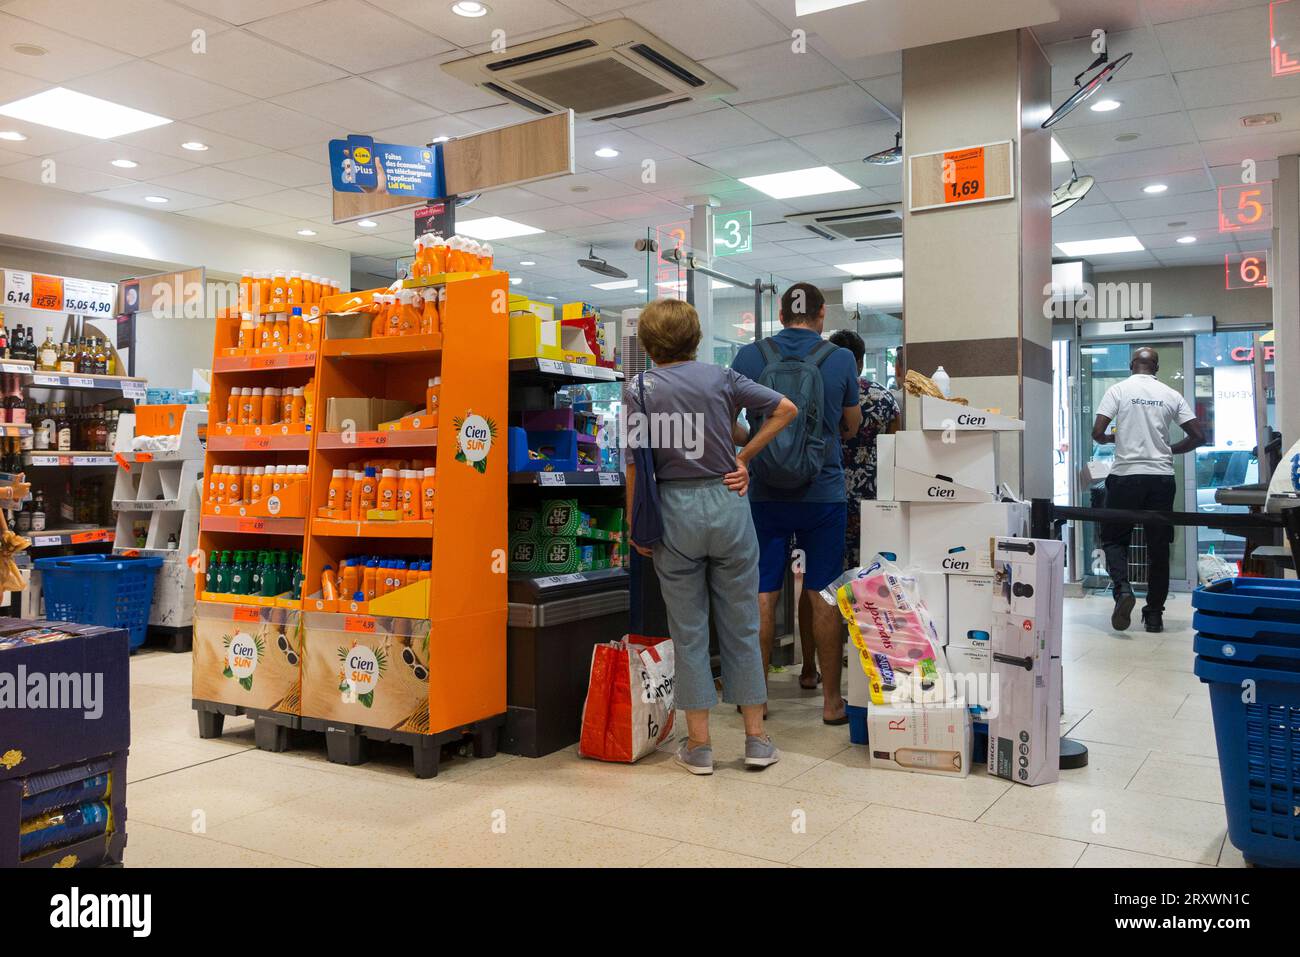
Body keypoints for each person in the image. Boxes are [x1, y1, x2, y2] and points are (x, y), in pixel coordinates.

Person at [625, 299, 798, 776]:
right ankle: (756, 739)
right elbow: (785, 409)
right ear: (695, 337)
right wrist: (746, 459)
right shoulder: (723, 378)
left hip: (673, 511)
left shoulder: (638, 388)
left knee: (689, 630)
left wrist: (633, 525)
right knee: (741, 622)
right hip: (727, 502)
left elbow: (633, 466)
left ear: (648, 343)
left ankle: (699, 747)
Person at [732, 283, 862, 725]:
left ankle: (758, 698)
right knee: (823, 590)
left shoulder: (749, 357)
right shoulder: (841, 359)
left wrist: (758, 442)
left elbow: (729, 424)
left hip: (764, 493)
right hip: (822, 493)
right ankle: (830, 702)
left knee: (762, 592)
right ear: (821, 315)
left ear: (781, 313)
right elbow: (851, 424)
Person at [1091, 347, 1206, 633]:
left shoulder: (1118, 390)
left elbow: (1096, 431)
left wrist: (1109, 438)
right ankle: (1154, 615)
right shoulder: (1171, 394)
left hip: (1125, 477)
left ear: (1132, 365)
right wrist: (1170, 449)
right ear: (1156, 367)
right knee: (1158, 548)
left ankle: (1123, 590)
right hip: (1161, 479)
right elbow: (1198, 436)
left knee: (1115, 540)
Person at [829, 329, 901, 569]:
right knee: (869, 565)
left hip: (829, 492)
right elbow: (894, 450)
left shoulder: (823, 394)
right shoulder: (885, 398)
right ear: (860, 362)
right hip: (873, 495)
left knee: (826, 568)